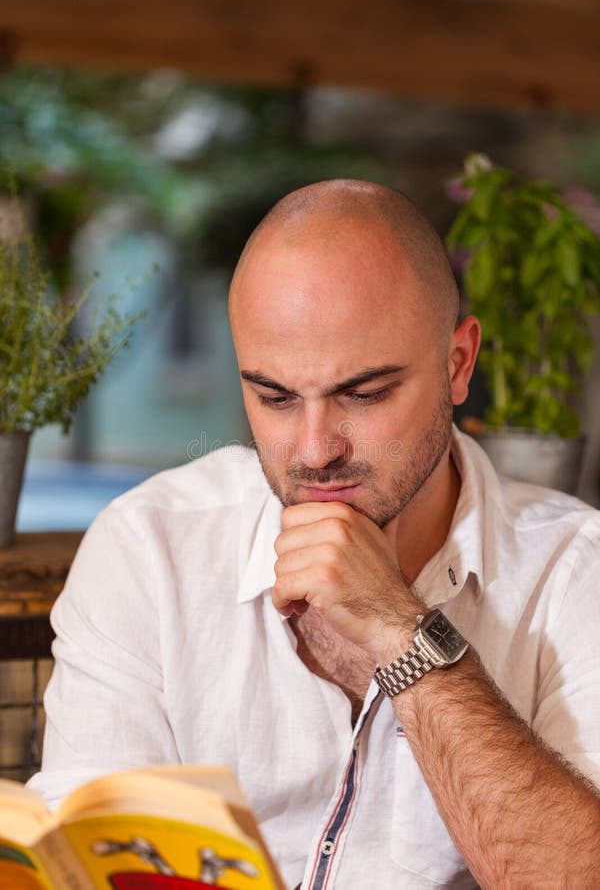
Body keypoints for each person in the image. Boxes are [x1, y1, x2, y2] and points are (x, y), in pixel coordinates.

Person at [30, 179, 600, 889]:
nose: (313, 450)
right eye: (273, 397)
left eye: (363, 393)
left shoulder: (576, 574)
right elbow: (82, 863)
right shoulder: (149, 552)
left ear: (458, 365)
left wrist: (404, 636)